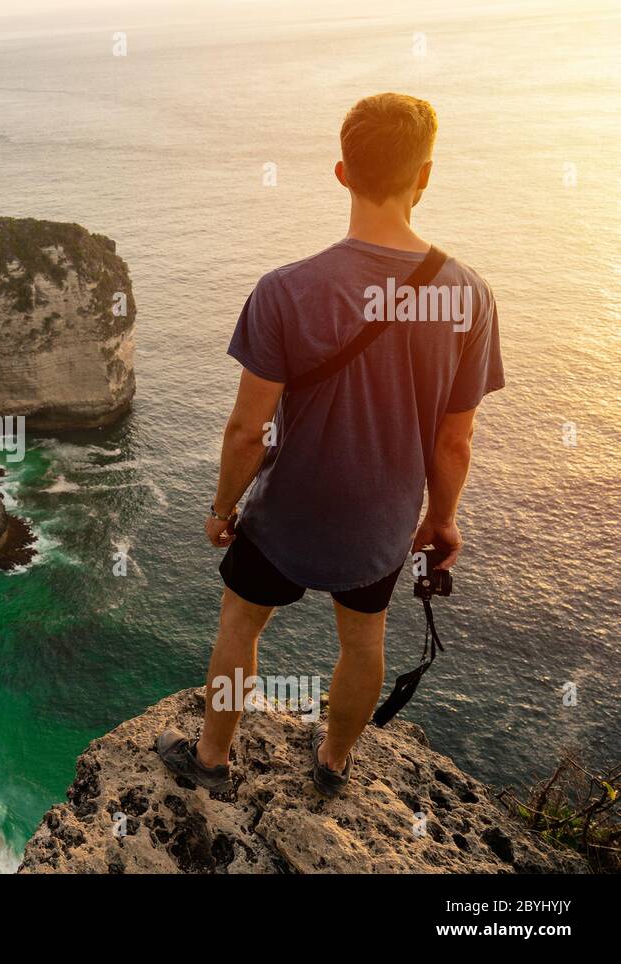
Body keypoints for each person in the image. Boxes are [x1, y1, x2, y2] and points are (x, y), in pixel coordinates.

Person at [157, 92, 504, 795]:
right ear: (425, 177)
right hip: (380, 519)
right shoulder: (468, 294)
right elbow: (454, 441)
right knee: (362, 641)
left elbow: (247, 430)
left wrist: (223, 508)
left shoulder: (285, 291)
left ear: (342, 173)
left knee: (241, 627)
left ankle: (212, 761)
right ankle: (332, 766)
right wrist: (442, 520)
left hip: (285, 513)